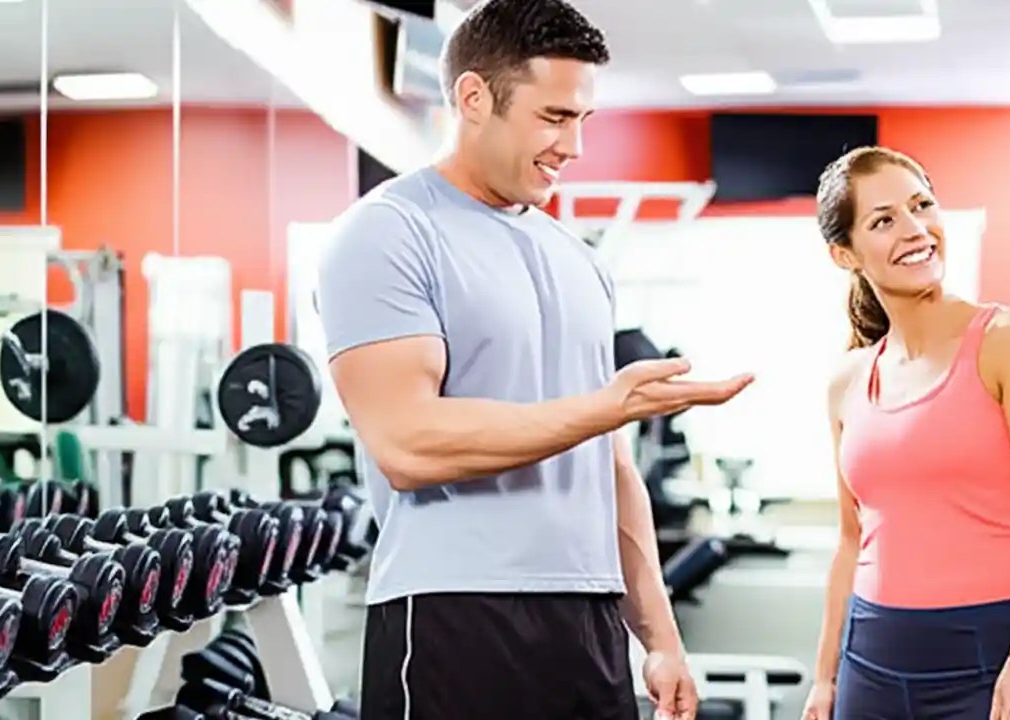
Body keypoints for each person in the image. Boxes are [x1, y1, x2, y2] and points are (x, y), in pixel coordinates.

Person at [315, 1, 753, 718]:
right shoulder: (387, 234)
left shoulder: (578, 261)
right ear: (473, 98)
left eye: (583, 119)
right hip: (452, 609)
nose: (574, 146)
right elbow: (407, 443)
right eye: (554, 117)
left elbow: (609, 469)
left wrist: (661, 636)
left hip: (587, 616)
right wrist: (605, 407)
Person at [800, 146, 1010, 720]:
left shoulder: (1009, 339)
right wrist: (825, 677)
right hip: (870, 653)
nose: (916, 230)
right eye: (883, 220)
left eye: (923, 206)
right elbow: (850, 541)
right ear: (844, 253)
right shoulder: (848, 379)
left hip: (990, 651)